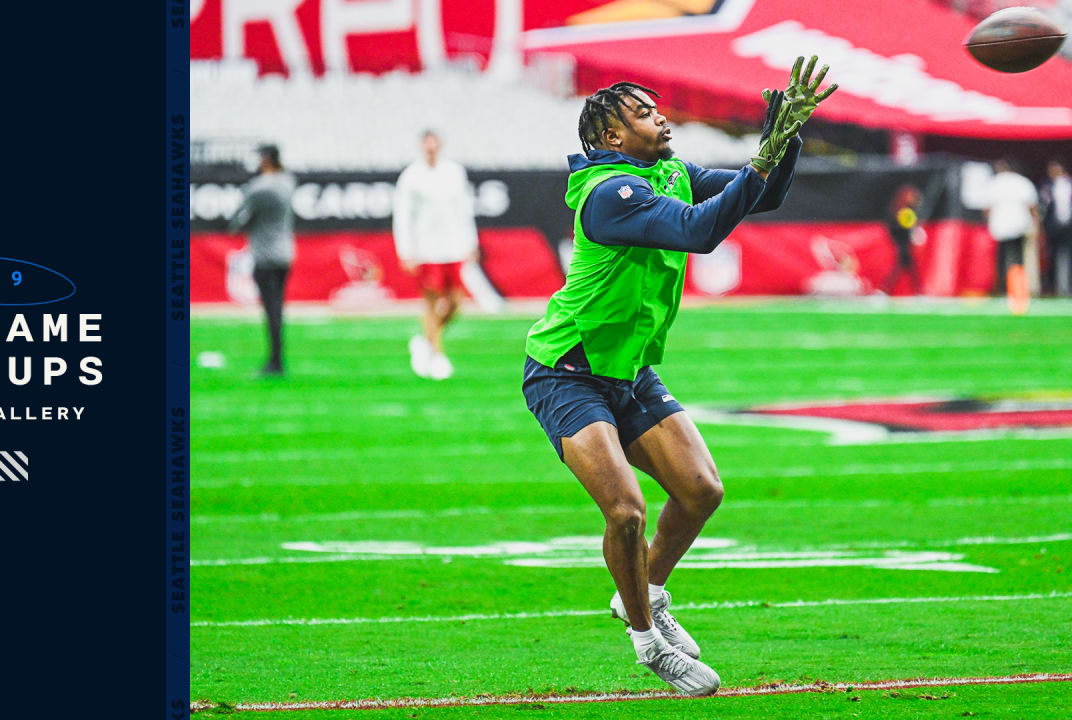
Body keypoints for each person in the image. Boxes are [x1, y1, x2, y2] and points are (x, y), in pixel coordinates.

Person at [522, 56, 835, 696]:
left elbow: (762, 194)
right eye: (642, 112)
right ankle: (647, 641)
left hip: (628, 371)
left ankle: (648, 591)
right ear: (612, 137)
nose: (660, 116)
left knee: (700, 490)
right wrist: (758, 160)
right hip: (568, 372)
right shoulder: (609, 192)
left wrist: (786, 140)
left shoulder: (666, 171)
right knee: (628, 511)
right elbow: (701, 230)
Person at [393, 130, 479, 380]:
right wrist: (406, 250)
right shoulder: (411, 176)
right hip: (426, 248)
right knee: (431, 303)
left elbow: (464, 209)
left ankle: (425, 341)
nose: (430, 147)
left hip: (453, 246)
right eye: (426, 143)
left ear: (440, 144)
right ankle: (438, 354)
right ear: (422, 145)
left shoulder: (454, 172)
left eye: (434, 142)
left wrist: (470, 242)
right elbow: (403, 215)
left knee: (455, 303)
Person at [230, 144, 296, 376]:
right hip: (286, 252)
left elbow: (237, 222)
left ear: (266, 159)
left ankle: (275, 361)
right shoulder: (287, 182)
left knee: (271, 310)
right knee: (277, 308)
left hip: (265, 255)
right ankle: (277, 357)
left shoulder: (259, 188)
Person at [985, 158, 1040, 296]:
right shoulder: (1022, 182)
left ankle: (1002, 289)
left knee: (1001, 260)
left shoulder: (994, 183)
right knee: (1017, 260)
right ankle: (1016, 290)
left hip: (999, 228)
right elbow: (1033, 208)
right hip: (1019, 226)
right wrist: (1036, 227)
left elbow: (986, 208)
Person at [881, 184, 924, 295]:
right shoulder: (899, 211)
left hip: (906, 244)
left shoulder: (909, 211)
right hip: (901, 244)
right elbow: (896, 228)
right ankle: (884, 290)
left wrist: (914, 232)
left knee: (910, 269)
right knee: (899, 268)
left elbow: (911, 227)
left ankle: (918, 292)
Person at [1040, 159, 1071, 296]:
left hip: (1069, 227)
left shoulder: (1068, 183)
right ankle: (1055, 287)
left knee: (1067, 256)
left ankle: (1066, 287)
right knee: (1052, 257)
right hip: (1053, 227)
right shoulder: (1047, 185)